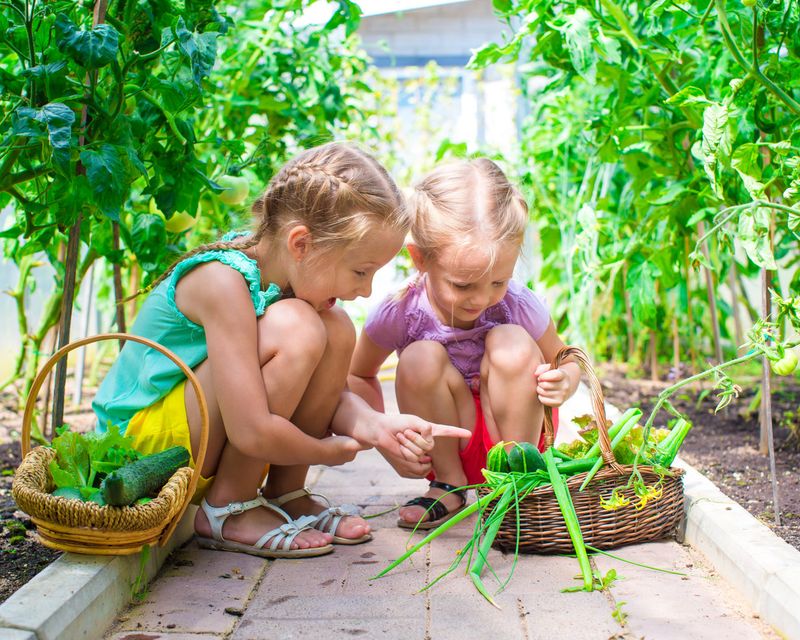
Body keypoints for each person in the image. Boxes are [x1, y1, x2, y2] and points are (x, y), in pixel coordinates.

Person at [92, 142, 470, 558]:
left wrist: (378, 427)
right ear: (301, 243)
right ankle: (229, 507)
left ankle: (287, 494)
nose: (364, 291)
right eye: (360, 271)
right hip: (142, 450)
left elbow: (331, 397)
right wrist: (324, 451)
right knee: (300, 326)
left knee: (336, 327)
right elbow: (250, 429)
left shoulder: (281, 279)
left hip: (191, 436)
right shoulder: (221, 282)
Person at [348, 158, 581, 530]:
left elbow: (567, 358)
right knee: (419, 357)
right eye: (462, 285)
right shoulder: (400, 311)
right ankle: (449, 485)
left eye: (498, 282)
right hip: (449, 439)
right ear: (420, 259)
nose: (481, 298)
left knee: (510, 340)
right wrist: (381, 434)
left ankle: (517, 483)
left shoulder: (518, 304)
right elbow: (359, 375)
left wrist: (565, 380)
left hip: (515, 434)